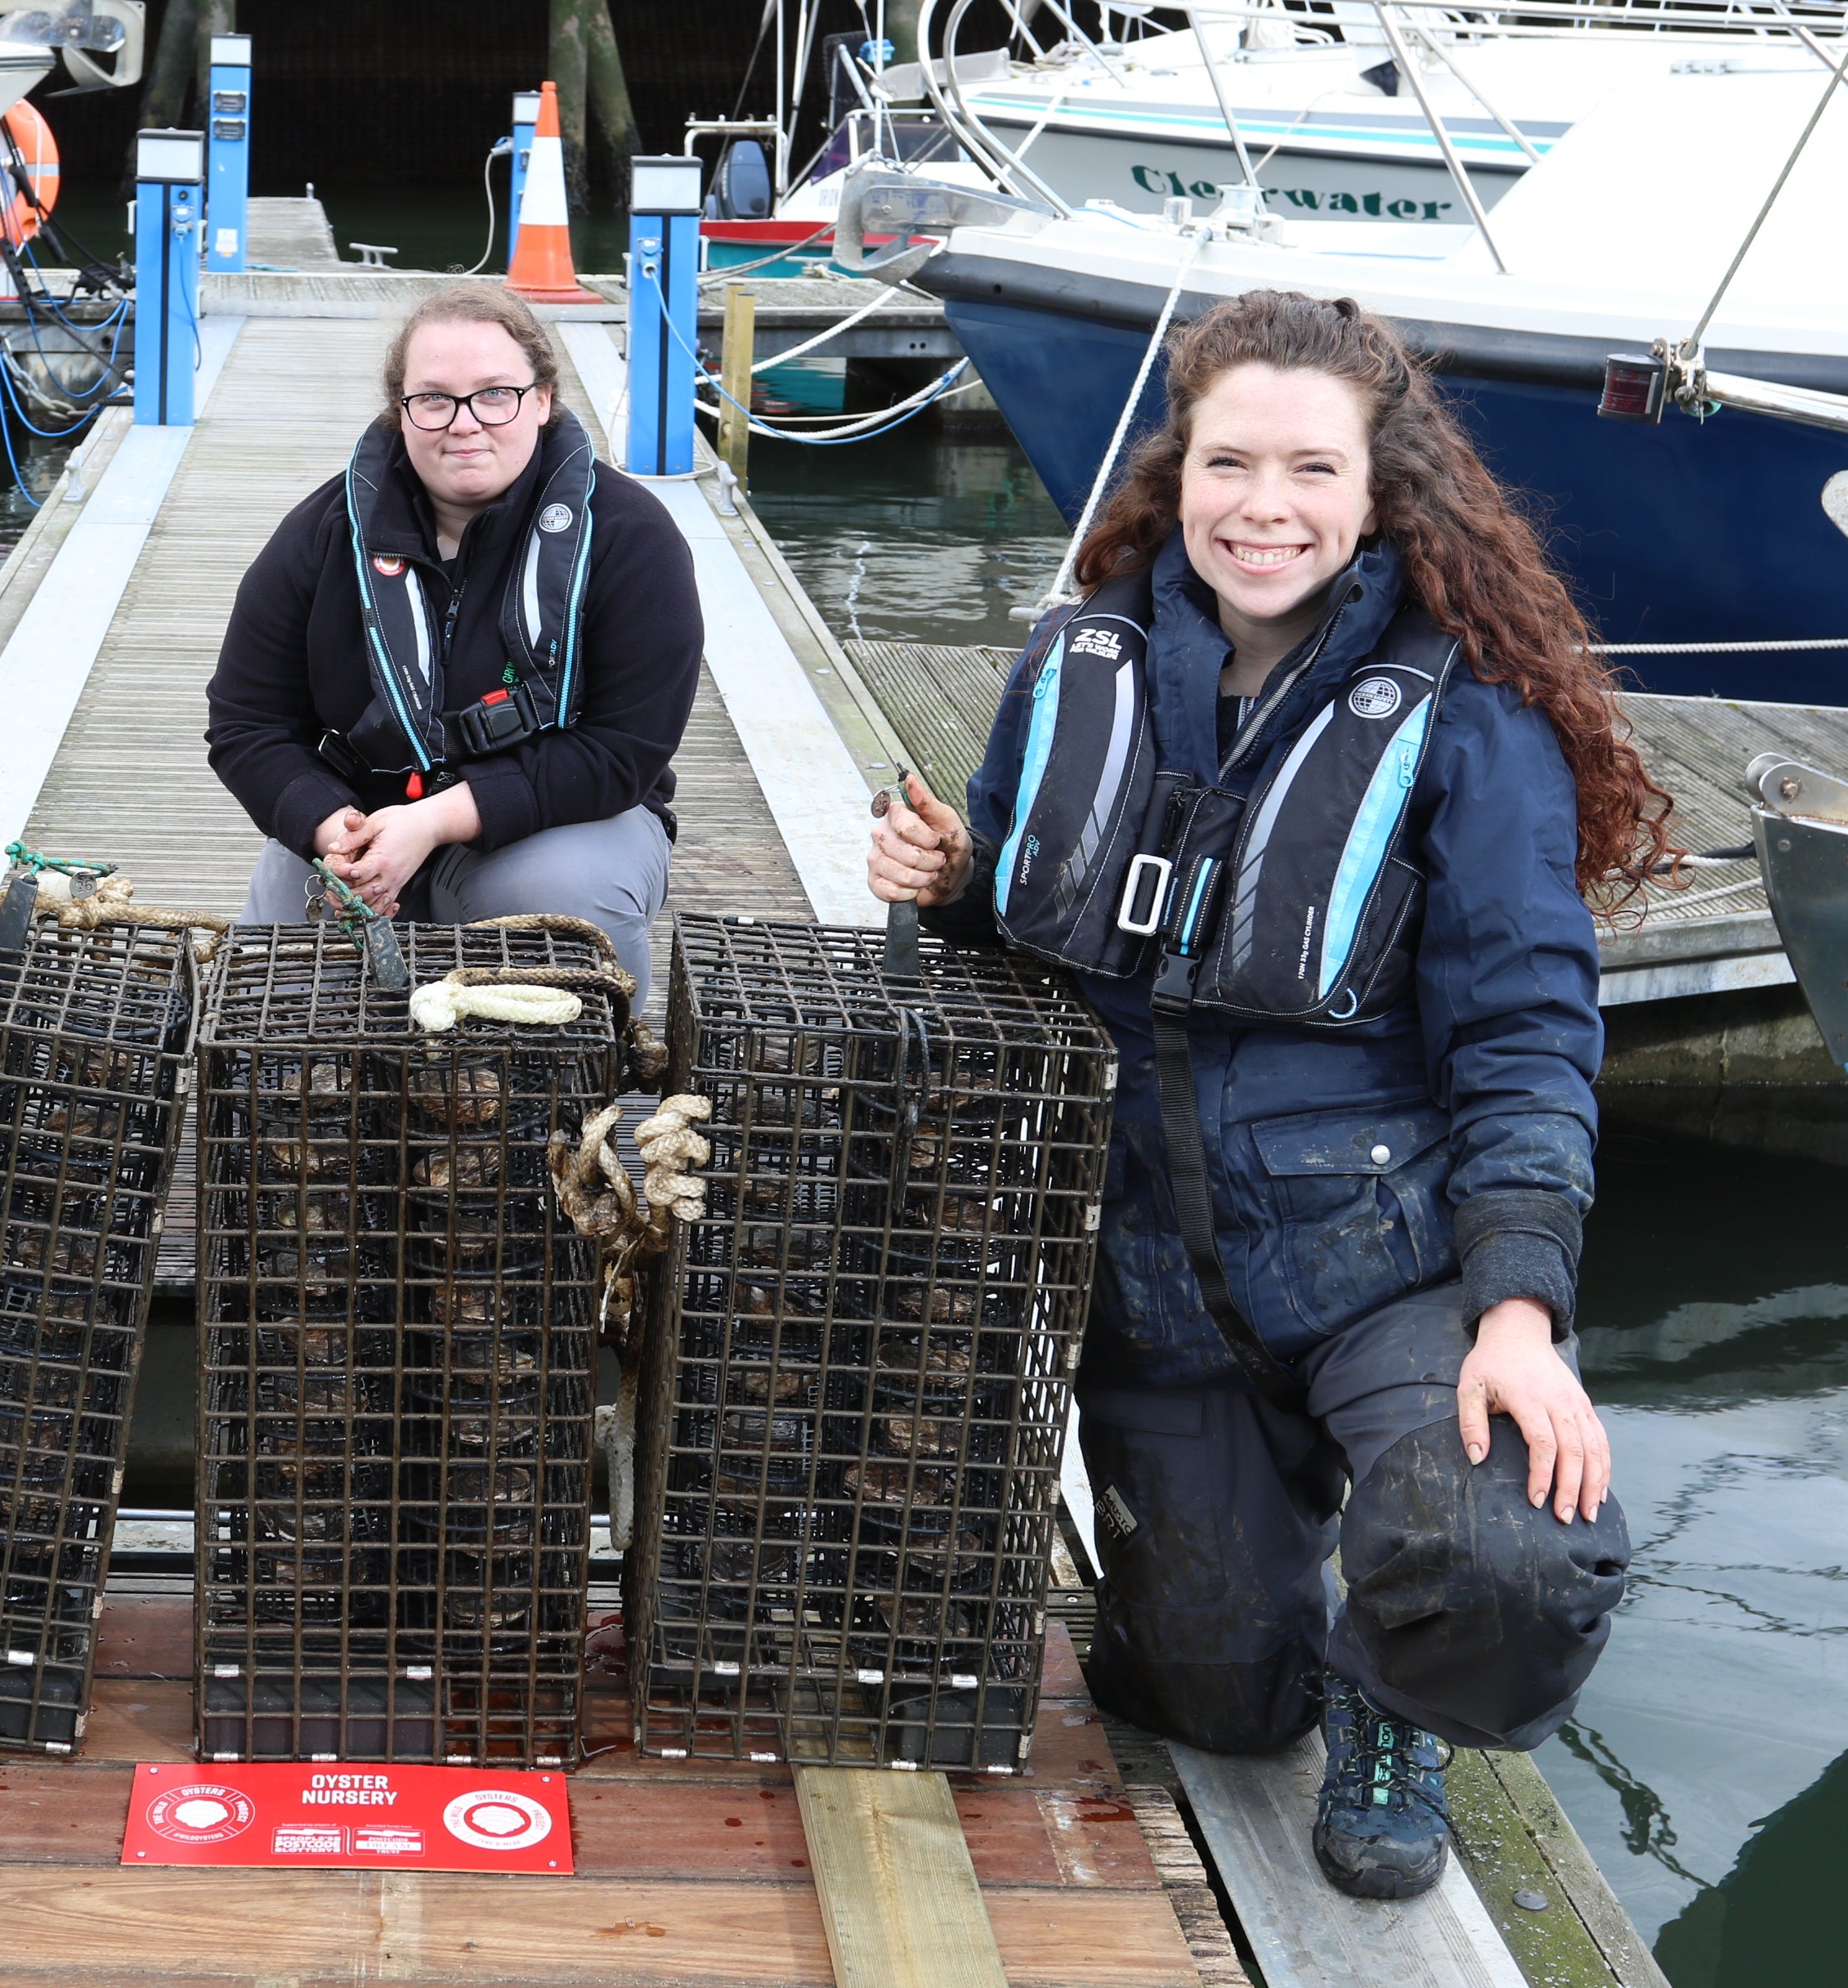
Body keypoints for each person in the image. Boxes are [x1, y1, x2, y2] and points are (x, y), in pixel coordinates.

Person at [869, 290, 1661, 1901]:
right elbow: (1026, 924)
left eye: (1313, 467)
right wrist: (954, 886)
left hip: (1386, 1266)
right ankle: (1262, 1596)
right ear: (1181, 468)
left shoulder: (1466, 719)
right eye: (1233, 462)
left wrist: (1519, 1307)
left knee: (1516, 1559)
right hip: (1151, 1283)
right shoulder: (1074, 656)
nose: (1267, 505)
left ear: (1383, 487)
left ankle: (1397, 1703)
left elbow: (1525, 1031)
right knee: (1215, 1703)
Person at [205, 284, 701, 993]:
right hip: (365, 817)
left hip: (557, 828)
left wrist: (437, 820)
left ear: (542, 399)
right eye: (434, 399)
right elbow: (247, 723)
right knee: (272, 997)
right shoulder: (320, 534)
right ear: (399, 411)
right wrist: (328, 828)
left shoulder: (632, 536)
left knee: (559, 895)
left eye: (495, 394)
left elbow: (626, 747)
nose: (464, 423)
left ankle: (564, 1089)